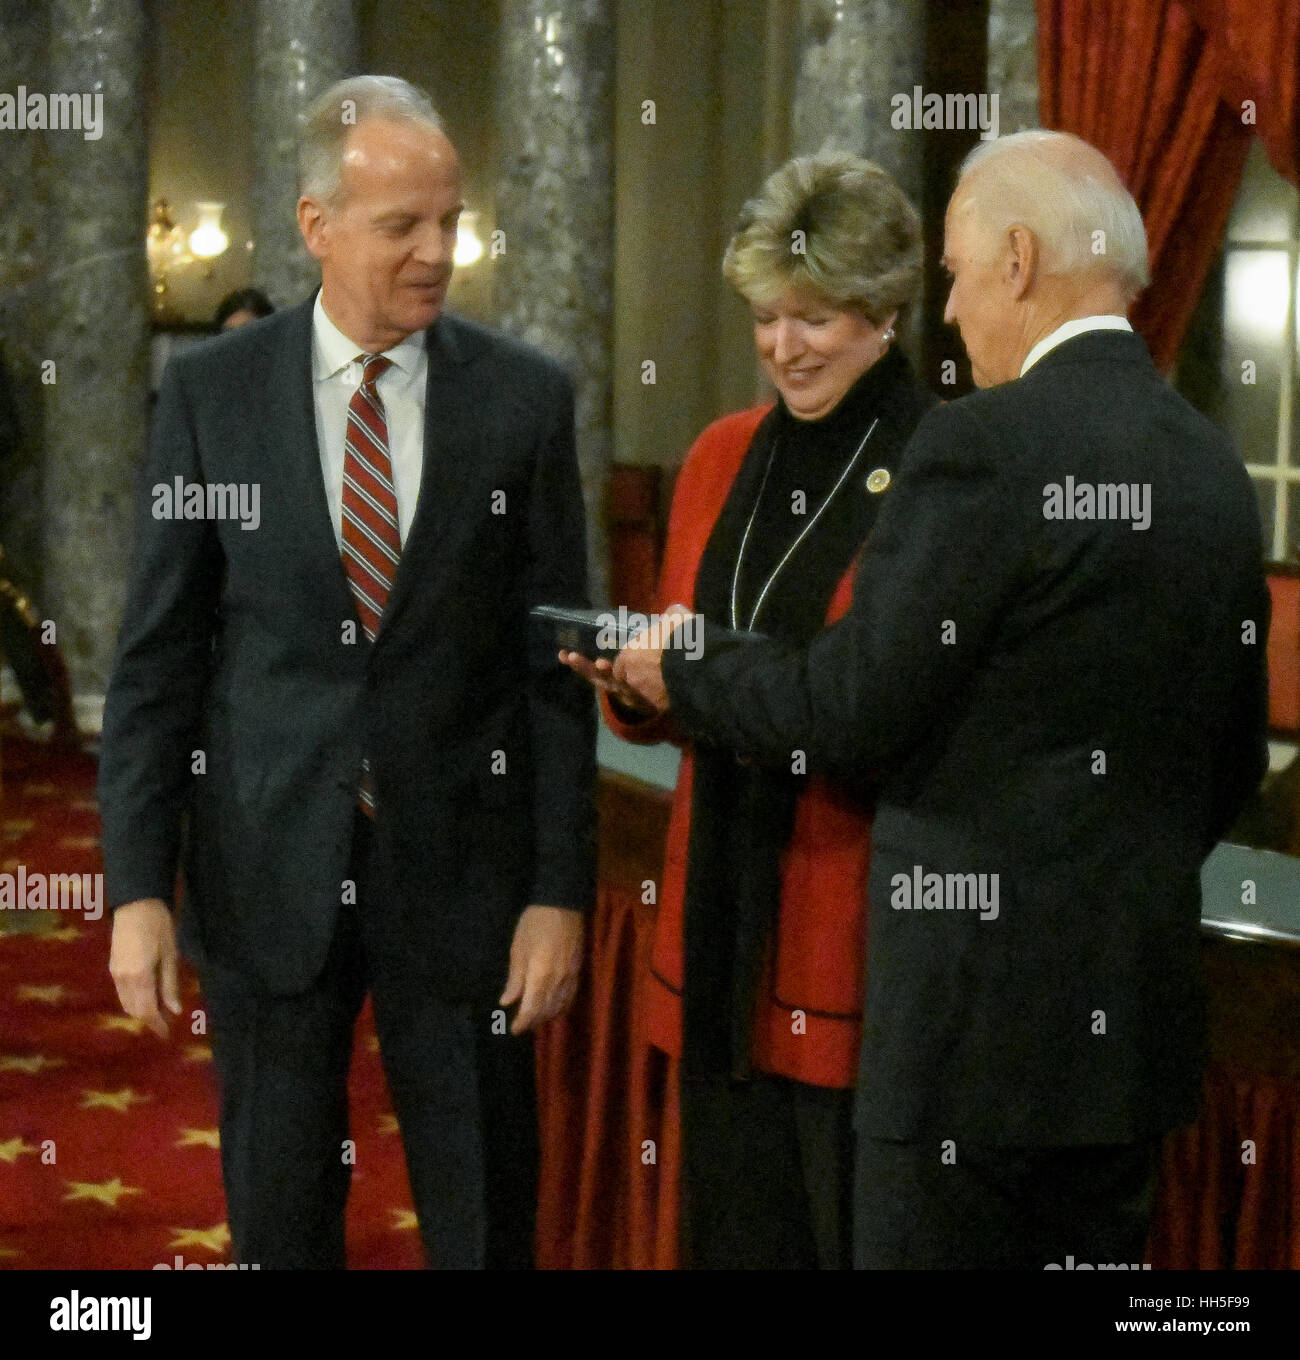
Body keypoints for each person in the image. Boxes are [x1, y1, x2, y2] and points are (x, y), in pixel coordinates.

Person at [615, 129, 1271, 1270]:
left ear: (1016, 260)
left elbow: (854, 709)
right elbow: (1227, 757)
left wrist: (686, 668)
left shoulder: (980, 444)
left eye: (961, 278)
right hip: (1125, 1042)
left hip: (963, 1043)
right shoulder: (1210, 461)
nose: (955, 314)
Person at [100, 75, 596, 1270]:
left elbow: (554, 668)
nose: (437, 253)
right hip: (266, 870)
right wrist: (136, 886)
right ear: (318, 227)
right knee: (278, 1219)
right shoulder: (212, 396)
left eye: (449, 222)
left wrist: (558, 891)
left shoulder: (524, 401)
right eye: (401, 228)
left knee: (483, 1221)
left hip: (468, 887)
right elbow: (160, 655)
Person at [564, 152, 934, 1268]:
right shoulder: (722, 452)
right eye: (769, 318)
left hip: (839, 929)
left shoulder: (933, 465)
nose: (783, 348)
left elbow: (864, 710)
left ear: (885, 313)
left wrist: (691, 675)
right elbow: (686, 671)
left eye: (814, 318)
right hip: (711, 919)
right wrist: (632, 691)